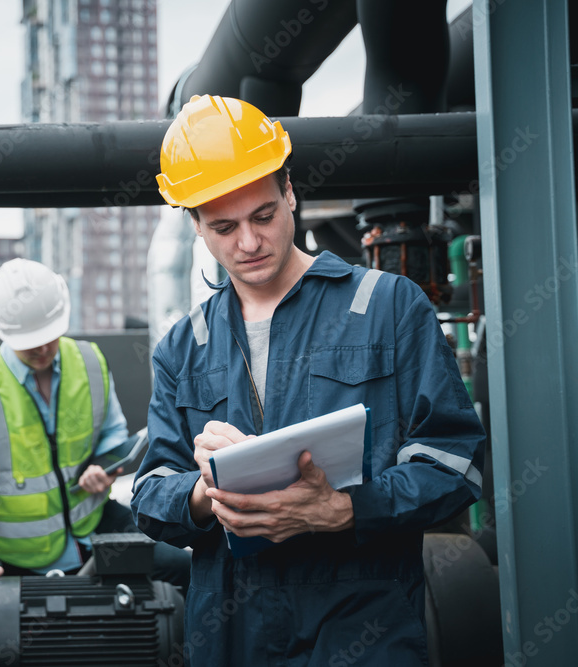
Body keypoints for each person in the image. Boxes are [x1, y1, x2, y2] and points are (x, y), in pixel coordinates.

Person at [131, 95, 485, 665]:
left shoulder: (387, 307)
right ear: (194, 224)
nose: (248, 243)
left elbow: (455, 459)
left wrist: (348, 508)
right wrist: (204, 493)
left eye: (263, 215)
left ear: (290, 190)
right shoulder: (184, 346)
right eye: (224, 226)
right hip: (230, 627)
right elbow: (149, 492)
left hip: (361, 622)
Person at [0, 258, 188, 587]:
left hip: (95, 528)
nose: (45, 347)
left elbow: (113, 439)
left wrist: (105, 471)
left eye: (50, 335)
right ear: (2, 329)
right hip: (19, 556)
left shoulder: (89, 361)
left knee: (184, 568)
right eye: (30, 342)